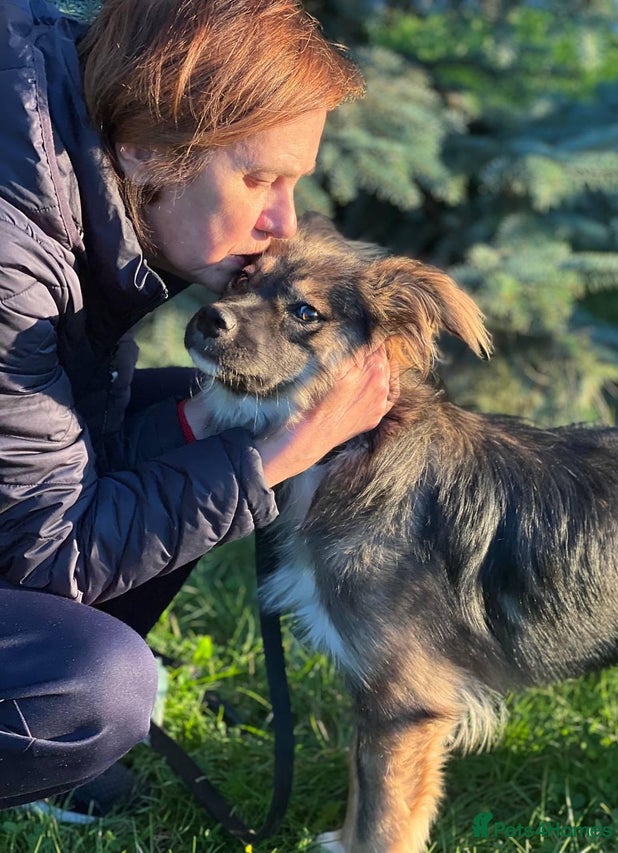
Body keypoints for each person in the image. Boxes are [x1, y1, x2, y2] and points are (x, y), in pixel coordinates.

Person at [0, 0, 395, 813]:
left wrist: (222, 425)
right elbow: (49, 554)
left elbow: (56, 462)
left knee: (198, 411)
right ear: (146, 149)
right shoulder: (12, 244)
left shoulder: (68, 146)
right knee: (95, 687)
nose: (282, 223)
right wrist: (279, 452)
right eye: (259, 178)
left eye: (294, 184)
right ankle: (47, 729)